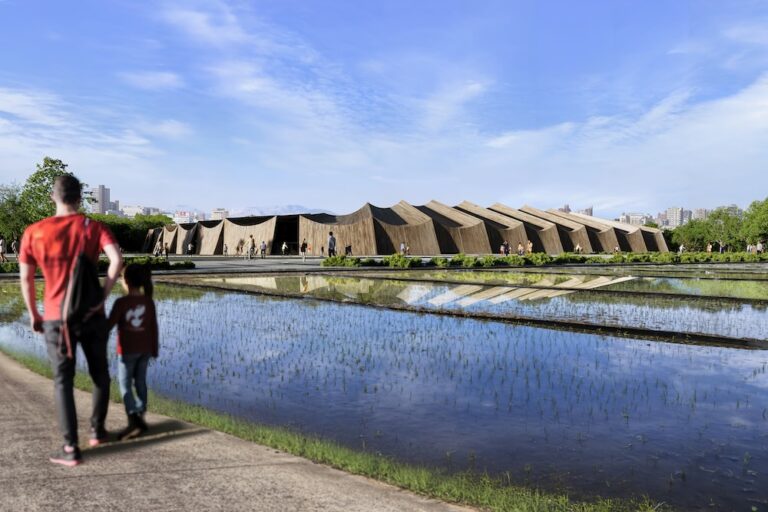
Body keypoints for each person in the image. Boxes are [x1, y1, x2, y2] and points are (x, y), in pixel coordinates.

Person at [18, 175, 122, 466]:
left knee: (63, 380)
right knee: (100, 374)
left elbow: (26, 278)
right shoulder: (94, 228)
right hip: (92, 314)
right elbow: (116, 259)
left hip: (55, 317)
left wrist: (35, 313)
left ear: (53, 196)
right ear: (79, 198)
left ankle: (69, 448)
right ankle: (97, 431)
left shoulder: (34, 232)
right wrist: (103, 295)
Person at [108, 264, 158, 440]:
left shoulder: (121, 303)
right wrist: (154, 349)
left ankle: (133, 418)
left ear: (126, 281)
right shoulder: (148, 302)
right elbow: (153, 328)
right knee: (141, 383)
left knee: (125, 385)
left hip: (127, 351)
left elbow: (108, 325)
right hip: (144, 350)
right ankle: (141, 414)